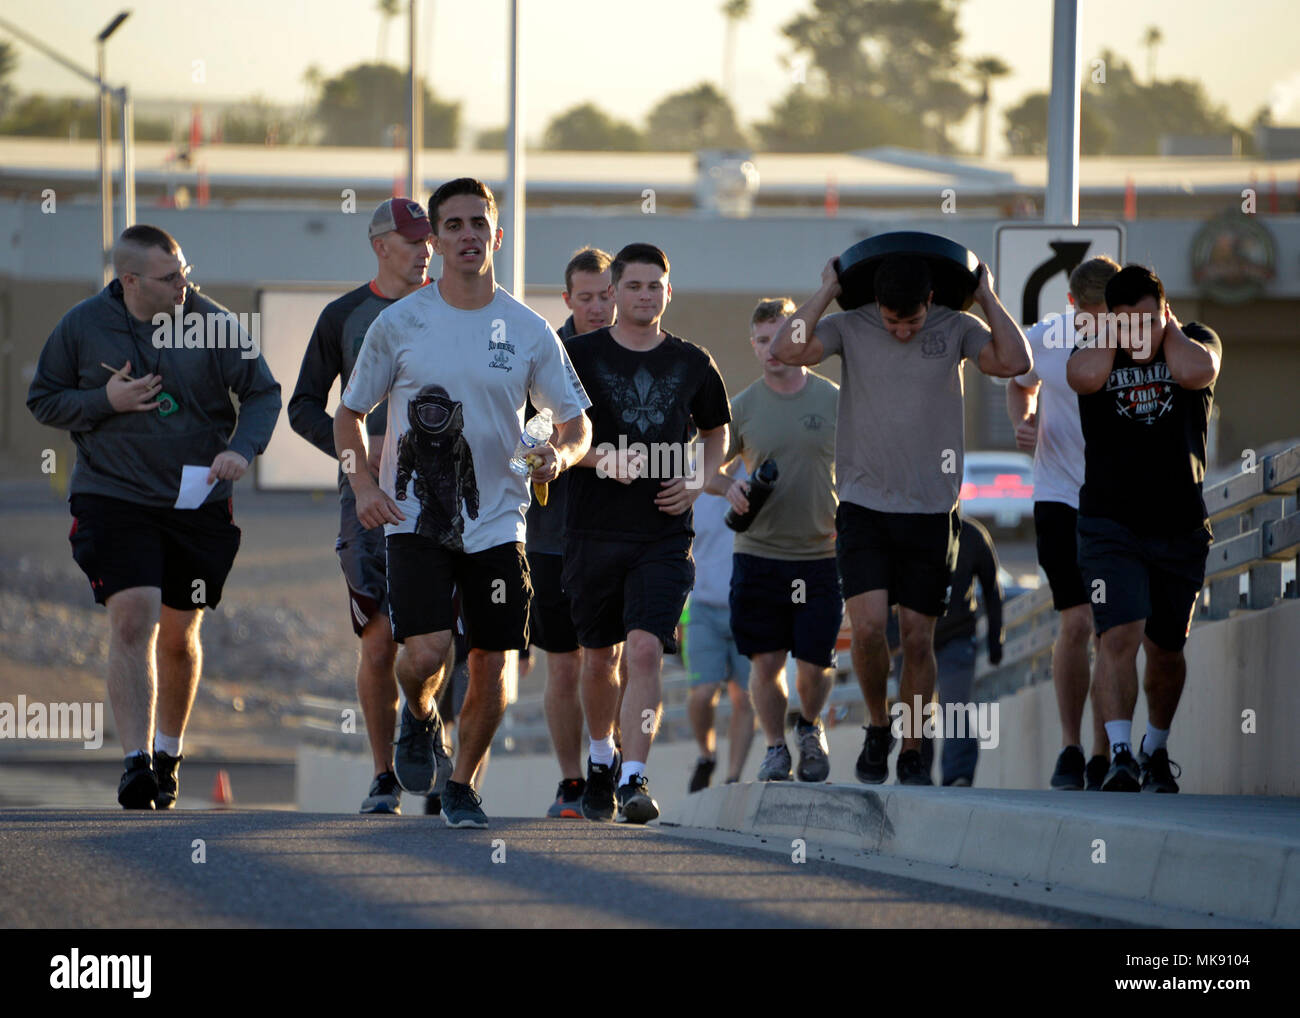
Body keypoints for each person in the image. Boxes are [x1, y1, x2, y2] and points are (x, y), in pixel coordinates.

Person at [335, 177, 592, 827]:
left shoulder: (529, 329)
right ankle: (420, 719)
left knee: (492, 655)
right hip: (413, 516)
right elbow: (349, 414)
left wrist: (559, 455)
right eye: (454, 225)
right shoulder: (400, 323)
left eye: (479, 223)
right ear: (438, 239)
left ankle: (463, 785)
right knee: (423, 654)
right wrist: (364, 484)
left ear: (496, 236)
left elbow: (578, 423)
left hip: (499, 519)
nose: (468, 235)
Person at [27, 224, 281, 809]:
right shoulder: (82, 325)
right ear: (131, 280)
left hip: (196, 501)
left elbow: (263, 393)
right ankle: (135, 763)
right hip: (112, 496)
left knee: (180, 631)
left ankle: (168, 753)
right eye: (170, 278)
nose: (184, 285)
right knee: (132, 618)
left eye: (185, 270)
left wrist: (239, 450)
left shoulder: (213, 323)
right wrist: (102, 402)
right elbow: (44, 398)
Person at [771, 254, 1031, 785]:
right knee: (867, 630)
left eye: (910, 321)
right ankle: (877, 725)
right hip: (865, 506)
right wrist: (825, 289)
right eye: (892, 321)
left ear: (930, 301)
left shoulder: (957, 327)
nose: (901, 331)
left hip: (931, 509)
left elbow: (1014, 362)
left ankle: (913, 747)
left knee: (917, 638)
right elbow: (784, 348)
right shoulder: (850, 325)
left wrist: (985, 295)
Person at [563, 242, 731, 823]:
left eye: (654, 286)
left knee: (643, 651)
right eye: (632, 286)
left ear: (668, 291)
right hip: (591, 528)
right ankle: (601, 756)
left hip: (662, 532)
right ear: (614, 293)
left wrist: (698, 482)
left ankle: (635, 777)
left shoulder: (692, 362)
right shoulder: (575, 354)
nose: (644, 295)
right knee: (598, 658)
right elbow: (536, 431)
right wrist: (595, 459)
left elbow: (716, 431)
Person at [288, 197, 443, 816]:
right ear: (380, 245)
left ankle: (427, 726)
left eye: (429, 238)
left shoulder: (459, 308)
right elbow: (302, 406)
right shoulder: (344, 316)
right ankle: (384, 777)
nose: (425, 249)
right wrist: (360, 453)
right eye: (412, 240)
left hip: (446, 499)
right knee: (379, 641)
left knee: (434, 643)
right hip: (367, 498)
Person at [1066, 265, 1221, 793]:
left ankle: (1155, 748)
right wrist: (1116, 334)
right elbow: (1082, 379)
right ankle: (1121, 754)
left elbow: (1197, 373)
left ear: (1165, 310)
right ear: (1110, 319)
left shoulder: (1193, 340)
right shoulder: (1093, 352)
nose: (1142, 332)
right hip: (1111, 526)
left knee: (1166, 650)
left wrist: (1167, 330)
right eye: (1128, 322)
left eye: (1149, 319)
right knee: (1119, 633)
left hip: (1178, 526)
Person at [708, 297, 842, 783]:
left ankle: (810, 726)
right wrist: (729, 486)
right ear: (753, 345)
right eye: (763, 340)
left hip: (820, 553)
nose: (773, 348)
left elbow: (859, 463)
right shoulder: (740, 407)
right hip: (759, 554)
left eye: (781, 337)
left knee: (815, 661)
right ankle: (774, 747)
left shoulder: (833, 399)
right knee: (766, 661)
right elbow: (707, 469)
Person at [1007, 255, 1119, 790]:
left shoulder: (1136, 341)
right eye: (1094, 311)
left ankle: (1105, 752)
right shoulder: (1046, 338)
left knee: (1110, 629)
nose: (1103, 321)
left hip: (1116, 503)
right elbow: (1017, 379)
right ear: (1073, 305)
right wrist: (1022, 421)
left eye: (1110, 311)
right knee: (1076, 624)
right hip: (1057, 497)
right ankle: (1071, 749)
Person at [528, 247, 616, 819]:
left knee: (615, 658)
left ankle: (618, 766)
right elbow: (527, 443)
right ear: (567, 300)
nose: (598, 307)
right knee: (564, 664)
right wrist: (591, 456)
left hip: (623, 534)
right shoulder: (544, 353)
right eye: (585, 298)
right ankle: (570, 781)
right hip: (552, 535)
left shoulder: (643, 352)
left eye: (606, 295)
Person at [917, 514, 1003, 786]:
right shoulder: (912, 530)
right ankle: (917, 772)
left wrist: (995, 639)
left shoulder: (972, 536)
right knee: (916, 710)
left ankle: (958, 775)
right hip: (915, 639)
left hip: (958, 637)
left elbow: (991, 587)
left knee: (954, 706)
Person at [685, 462, 754, 790]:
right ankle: (706, 754)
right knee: (703, 693)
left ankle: (732, 777)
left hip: (748, 606)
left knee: (746, 696)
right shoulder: (693, 473)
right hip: (703, 606)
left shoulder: (754, 470)